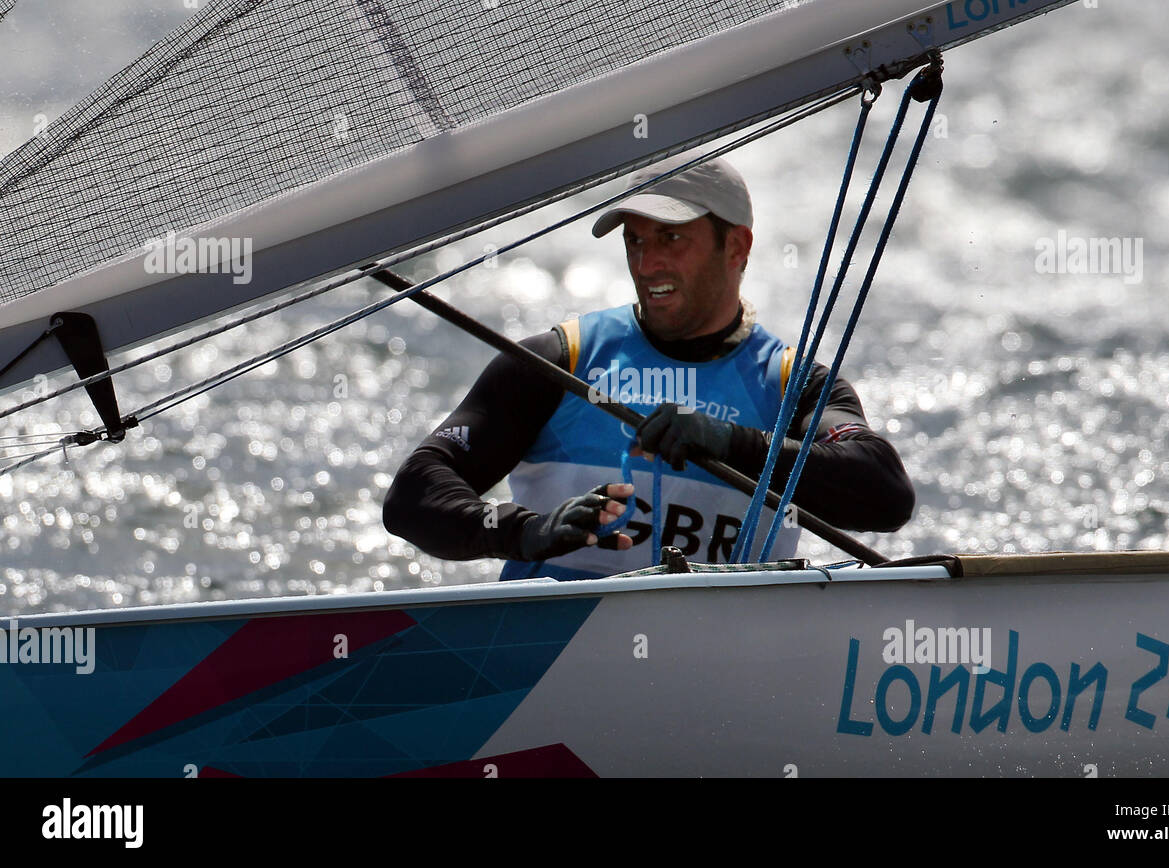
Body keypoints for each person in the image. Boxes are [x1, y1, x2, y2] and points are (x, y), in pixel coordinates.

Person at [383, 155, 914, 580]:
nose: (646, 263)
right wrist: (525, 531)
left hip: (721, 660)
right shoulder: (559, 360)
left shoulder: (792, 385)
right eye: (634, 240)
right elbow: (413, 494)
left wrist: (731, 443)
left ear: (737, 246)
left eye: (670, 239)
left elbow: (886, 494)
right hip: (549, 654)